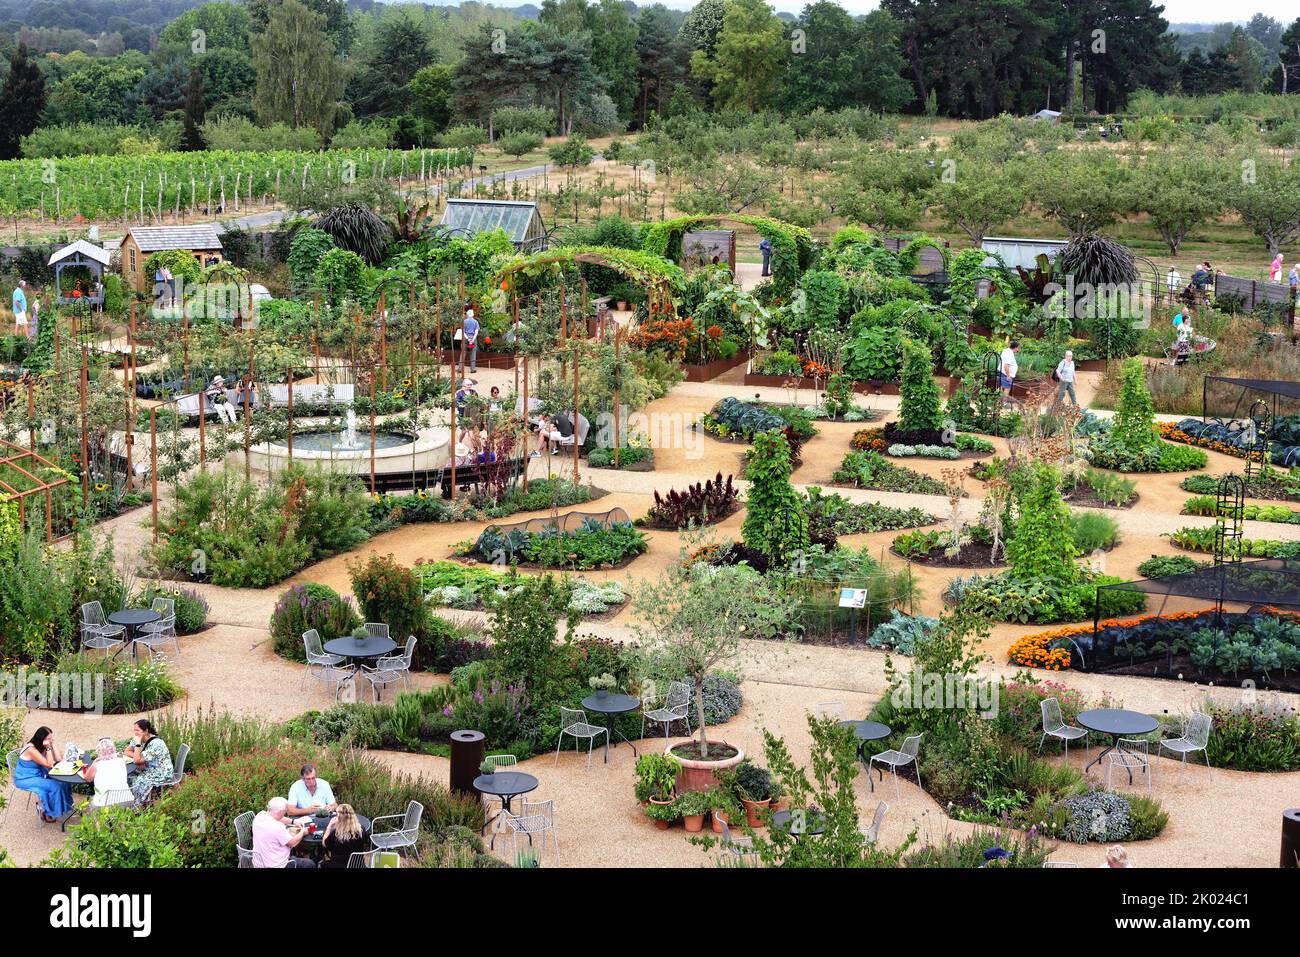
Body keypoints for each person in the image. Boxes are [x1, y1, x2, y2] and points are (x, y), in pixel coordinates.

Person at [14, 726, 73, 824]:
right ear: (41, 739)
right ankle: (49, 811)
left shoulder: (42, 746)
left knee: (63, 781)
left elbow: (58, 760)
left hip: (39, 773)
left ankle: (64, 806)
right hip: (25, 778)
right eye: (48, 739)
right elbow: (49, 764)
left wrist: (53, 744)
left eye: (51, 738)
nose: (50, 740)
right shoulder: (31, 749)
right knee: (54, 786)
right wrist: (48, 747)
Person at [252, 796, 314, 868]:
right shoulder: (277, 827)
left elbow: (277, 817)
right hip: (276, 865)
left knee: (293, 854)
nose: (285, 813)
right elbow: (292, 843)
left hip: (259, 863)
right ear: (280, 812)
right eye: (285, 811)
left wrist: (293, 821)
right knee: (310, 864)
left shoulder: (260, 816)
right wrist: (302, 831)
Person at [125, 718, 174, 804]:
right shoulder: (139, 738)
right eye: (134, 730)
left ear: (146, 731)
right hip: (148, 768)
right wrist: (138, 756)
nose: (135, 733)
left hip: (161, 772)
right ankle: (130, 800)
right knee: (129, 776)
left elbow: (137, 761)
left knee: (138, 782)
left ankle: (140, 804)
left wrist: (137, 746)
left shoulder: (156, 744)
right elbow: (127, 751)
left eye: (138, 730)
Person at [80, 737, 133, 807]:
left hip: (105, 805)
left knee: (91, 803)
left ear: (98, 752)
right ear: (114, 750)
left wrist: (94, 763)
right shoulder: (121, 761)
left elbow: (87, 778)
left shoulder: (97, 765)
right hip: (127, 800)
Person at [321, 803, 369, 868]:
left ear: (339, 818)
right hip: (358, 865)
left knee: (323, 864)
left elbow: (324, 844)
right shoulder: (361, 830)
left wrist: (329, 826)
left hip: (338, 866)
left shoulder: (336, 834)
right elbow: (365, 842)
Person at [460, 306, 479, 373]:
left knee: (463, 352)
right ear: (473, 314)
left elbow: (463, 331)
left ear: (467, 314)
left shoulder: (464, 321)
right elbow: (476, 332)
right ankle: (472, 369)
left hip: (465, 338)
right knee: (473, 353)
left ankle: (460, 369)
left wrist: (467, 338)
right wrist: (473, 339)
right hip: (473, 337)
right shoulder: (475, 322)